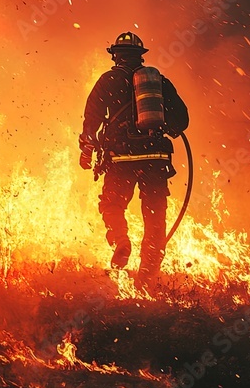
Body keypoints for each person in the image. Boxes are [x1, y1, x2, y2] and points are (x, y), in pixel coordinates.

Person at [79, 32, 189, 286]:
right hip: (156, 159)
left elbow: (91, 119)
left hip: (121, 158)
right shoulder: (159, 81)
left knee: (112, 204)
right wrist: (163, 127)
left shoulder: (108, 81)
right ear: (141, 56)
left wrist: (87, 148)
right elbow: (181, 120)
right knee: (154, 217)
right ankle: (148, 274)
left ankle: (121, 241)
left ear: (115, 55)